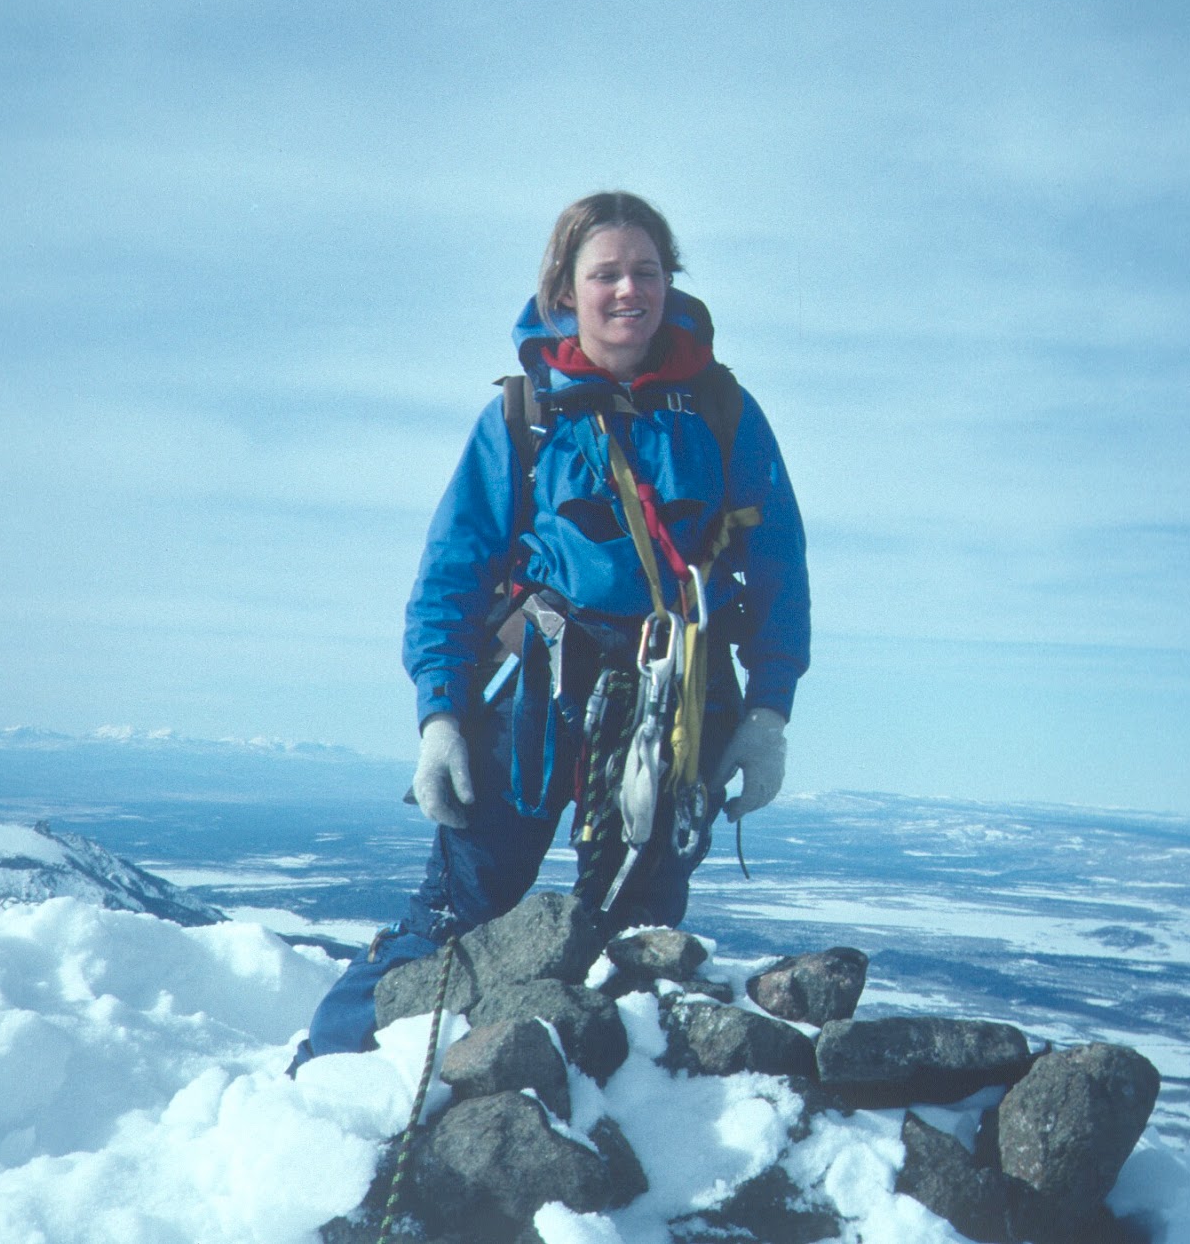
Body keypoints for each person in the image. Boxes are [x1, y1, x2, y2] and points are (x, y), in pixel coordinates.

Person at [291, 192, 809, 1071]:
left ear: (669, 283)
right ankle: (326, 1074)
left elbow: (779, 570)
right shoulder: (524, 415)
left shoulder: (724, 412)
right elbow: (452, 574)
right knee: (454, 917)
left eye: (646, 271)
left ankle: (591, 1108)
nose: (628, 291)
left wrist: (768, 712)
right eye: (606, 274)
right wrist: (441, 716)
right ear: (565, 290)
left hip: (673, 711)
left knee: (635, 941)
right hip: (539, 698)